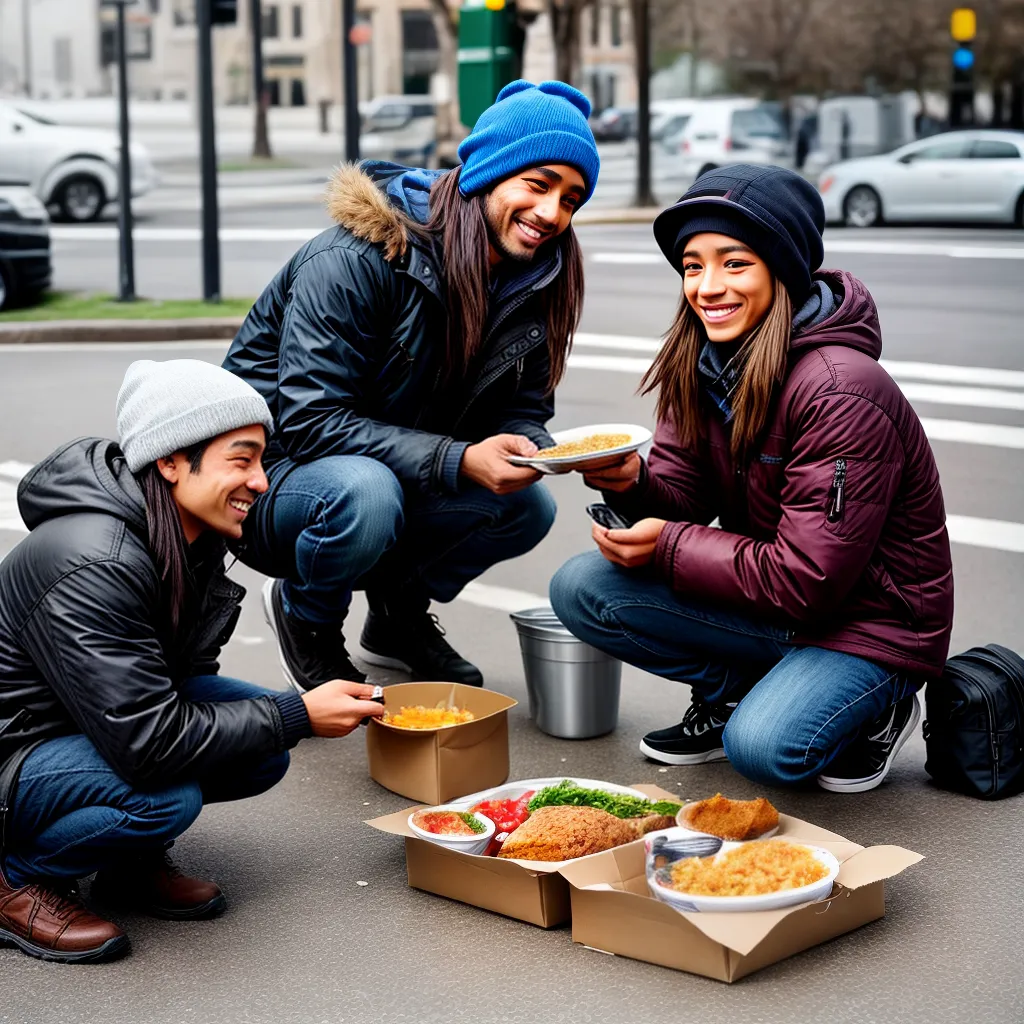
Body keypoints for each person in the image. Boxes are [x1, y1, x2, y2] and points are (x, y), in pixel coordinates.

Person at [550, 165, 954, 793]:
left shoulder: (840, 390)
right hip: (773, 603)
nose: (707, 287)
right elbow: (684, 500)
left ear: (781, 271)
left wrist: (667, 544)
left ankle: (882, 705)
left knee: (765, 749)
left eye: (734, 264)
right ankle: (737, 692)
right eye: (693, 266)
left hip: (870, 626)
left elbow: (808, 578)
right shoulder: (704, 361)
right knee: (582, 586)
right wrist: (630, 482)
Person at [0, 360, 385, 964]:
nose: (261, 481)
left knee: (260, 748)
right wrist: (299, 714)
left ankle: (127, 863)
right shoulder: (93, 558)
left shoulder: (188, 536)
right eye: (242, 460)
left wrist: (283, 718)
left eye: (262, 460)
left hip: (86, 724)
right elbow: (148, 743)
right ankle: (16, 879)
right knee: (164, 798)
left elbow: (184, 680)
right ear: (171, 461)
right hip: (17, 749)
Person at [223, 79, 599, 694]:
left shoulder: (534, 278)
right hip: (274, 480)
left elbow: (523, 406)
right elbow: (312, 423)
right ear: (488, 171)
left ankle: (396, 617)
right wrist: (460, 459)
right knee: (366, 494)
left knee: (526, 507)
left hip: (394, 470)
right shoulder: (354, 259)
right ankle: (306, 615)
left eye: (571, 199)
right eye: (539, 184)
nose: (553, 213)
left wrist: (535, 448)